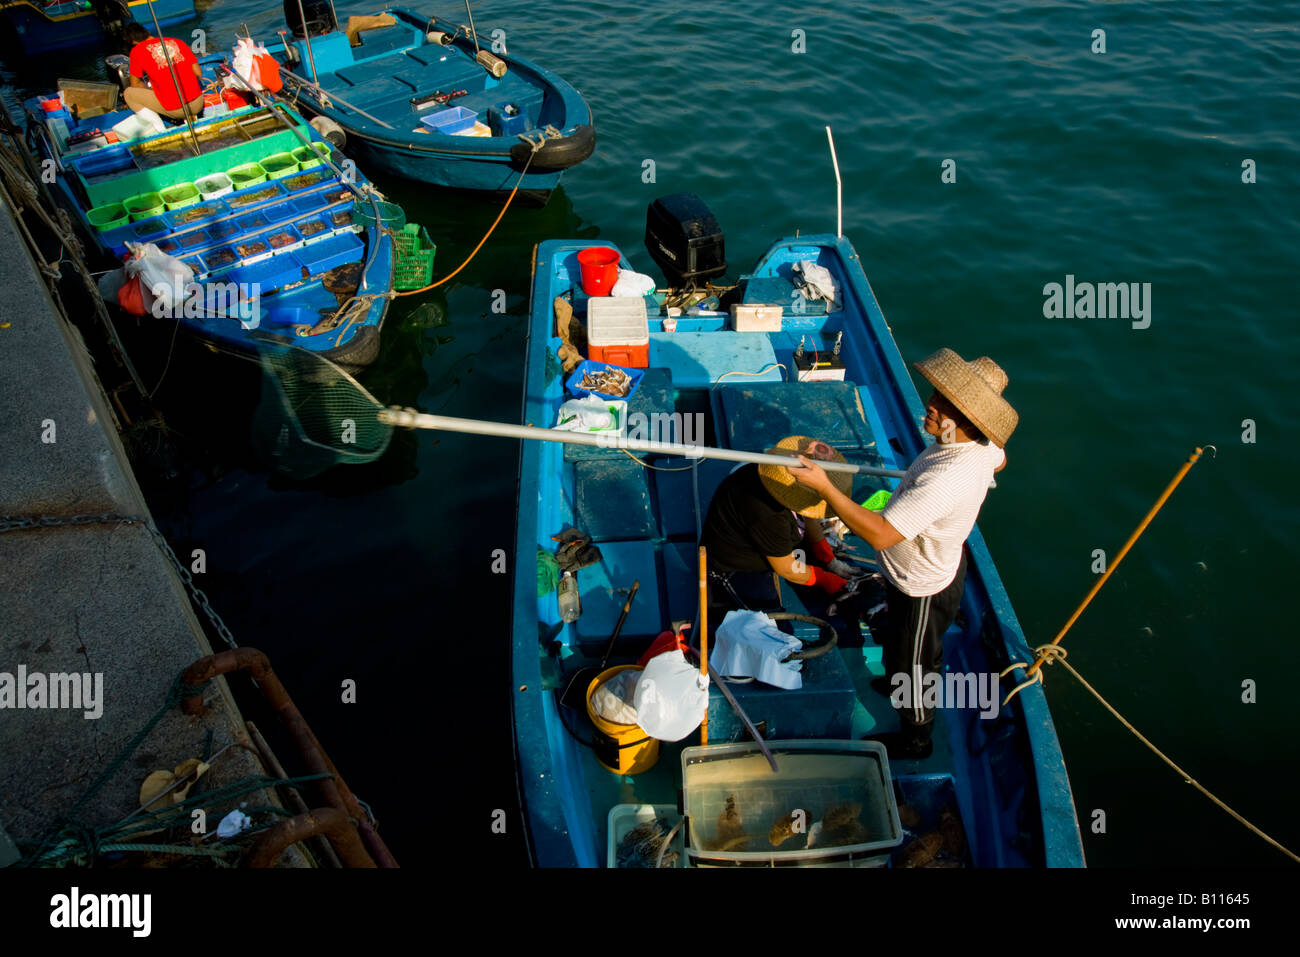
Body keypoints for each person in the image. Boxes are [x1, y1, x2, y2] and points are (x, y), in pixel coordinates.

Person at [790, 348, 1016, 759]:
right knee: (899, 646)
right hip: (913, 572)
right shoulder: (982, 449)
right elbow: (999, 461)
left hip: (922, 587)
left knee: (915, 668)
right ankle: (897, 676)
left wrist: (825, 487)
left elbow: (879, 535)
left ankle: (916, 739)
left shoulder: (948, 478)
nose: (930, 405)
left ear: (971, 421)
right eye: (936, 395)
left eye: (945, 405)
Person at [701, 435, 859, 632]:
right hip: (737, 567)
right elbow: (787, 568)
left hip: (773, 543)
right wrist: (828, 580)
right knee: (778, 635)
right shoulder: (767, 513)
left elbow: (808, 514)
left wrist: (828, 558)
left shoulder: (789, 482)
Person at [122, 23, 204, 121]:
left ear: (133, 41)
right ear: (146, 32)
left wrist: (154, 90)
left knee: (129, 93)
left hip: (177, 110)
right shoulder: (178, 42)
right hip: (198, 103)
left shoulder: (136, 51)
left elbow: (136, 84)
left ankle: (160, 129)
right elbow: (198, 73)